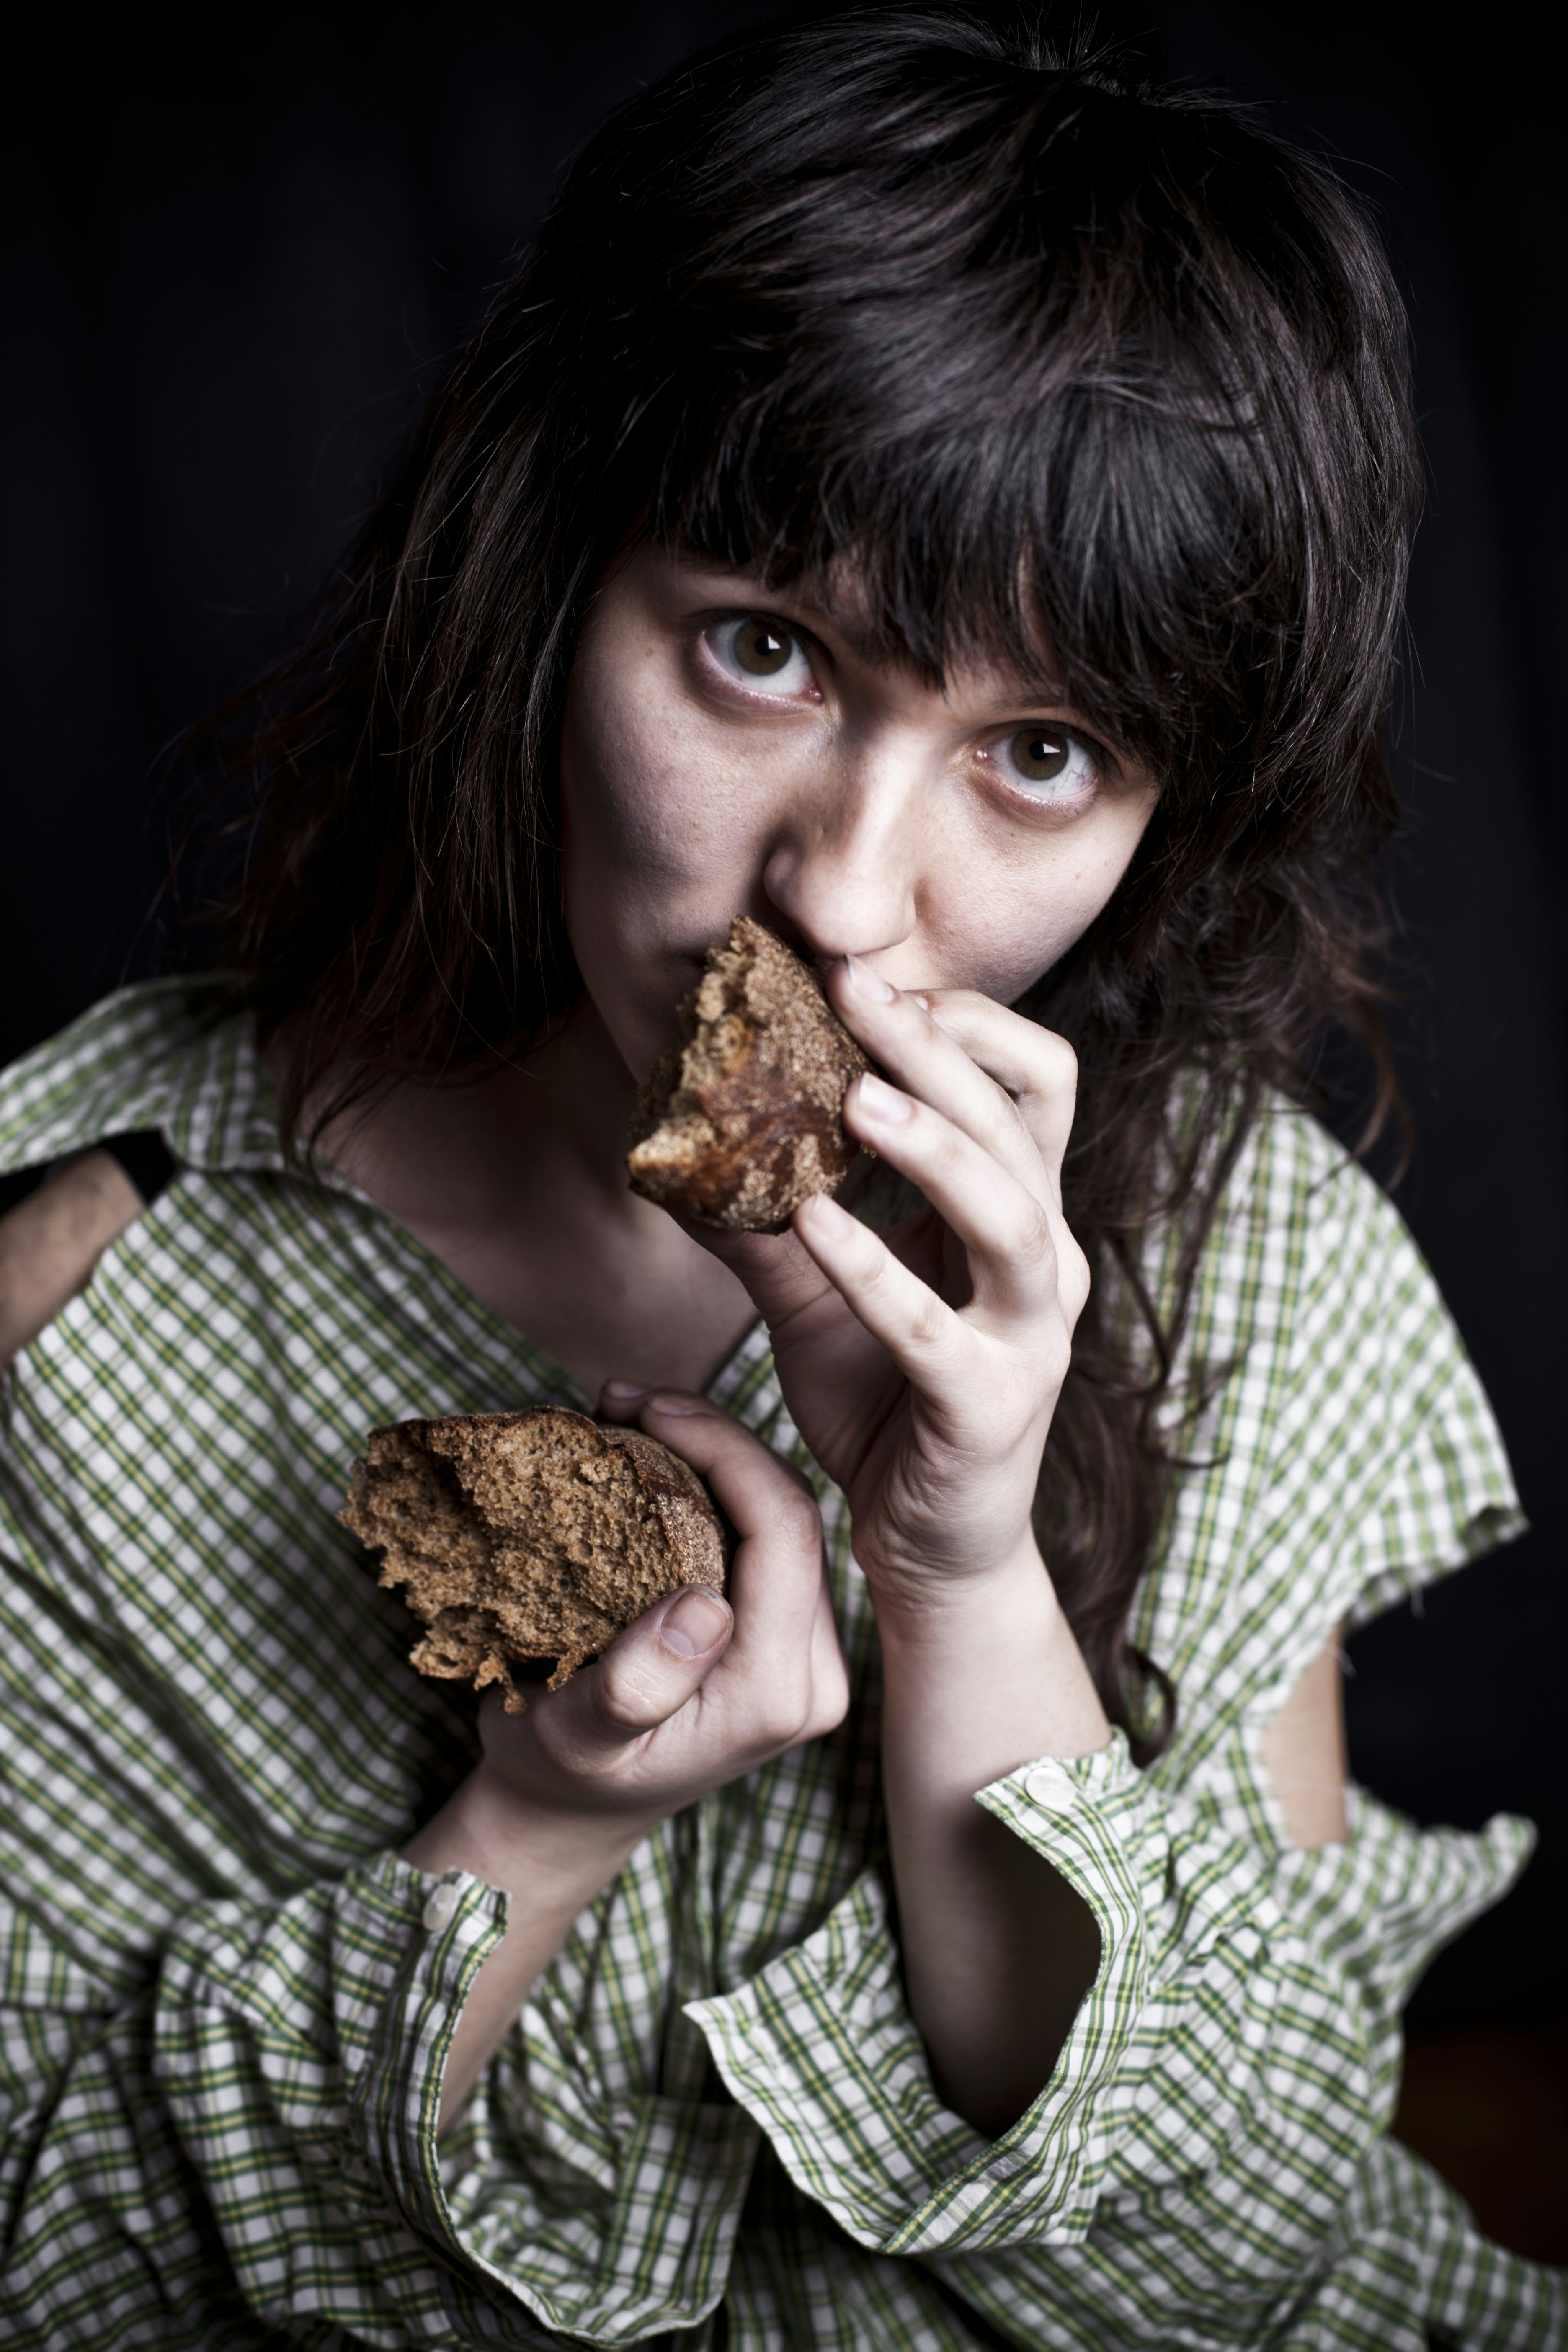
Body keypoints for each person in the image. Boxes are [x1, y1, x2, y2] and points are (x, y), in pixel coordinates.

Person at [0, 7, 1558, 2345]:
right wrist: (538, 1821)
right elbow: (60, 2267)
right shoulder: (99, 1286)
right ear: (547, 586)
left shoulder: (1229, 1254)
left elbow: (1249, 2267)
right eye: (763, 652)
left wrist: (959, 1565)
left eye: (1036, 753)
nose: (844, 898)